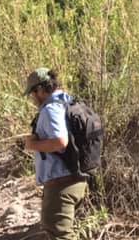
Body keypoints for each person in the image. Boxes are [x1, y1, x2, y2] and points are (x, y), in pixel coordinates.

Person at [23, 68, 88, 240]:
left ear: (40, 90)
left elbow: (60, 142)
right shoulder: (70, 102)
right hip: (76, 180)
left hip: (61, 184)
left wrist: (33, 144)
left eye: (32, 93)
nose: (33, 98)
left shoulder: (50, 109)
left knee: (59, 234)